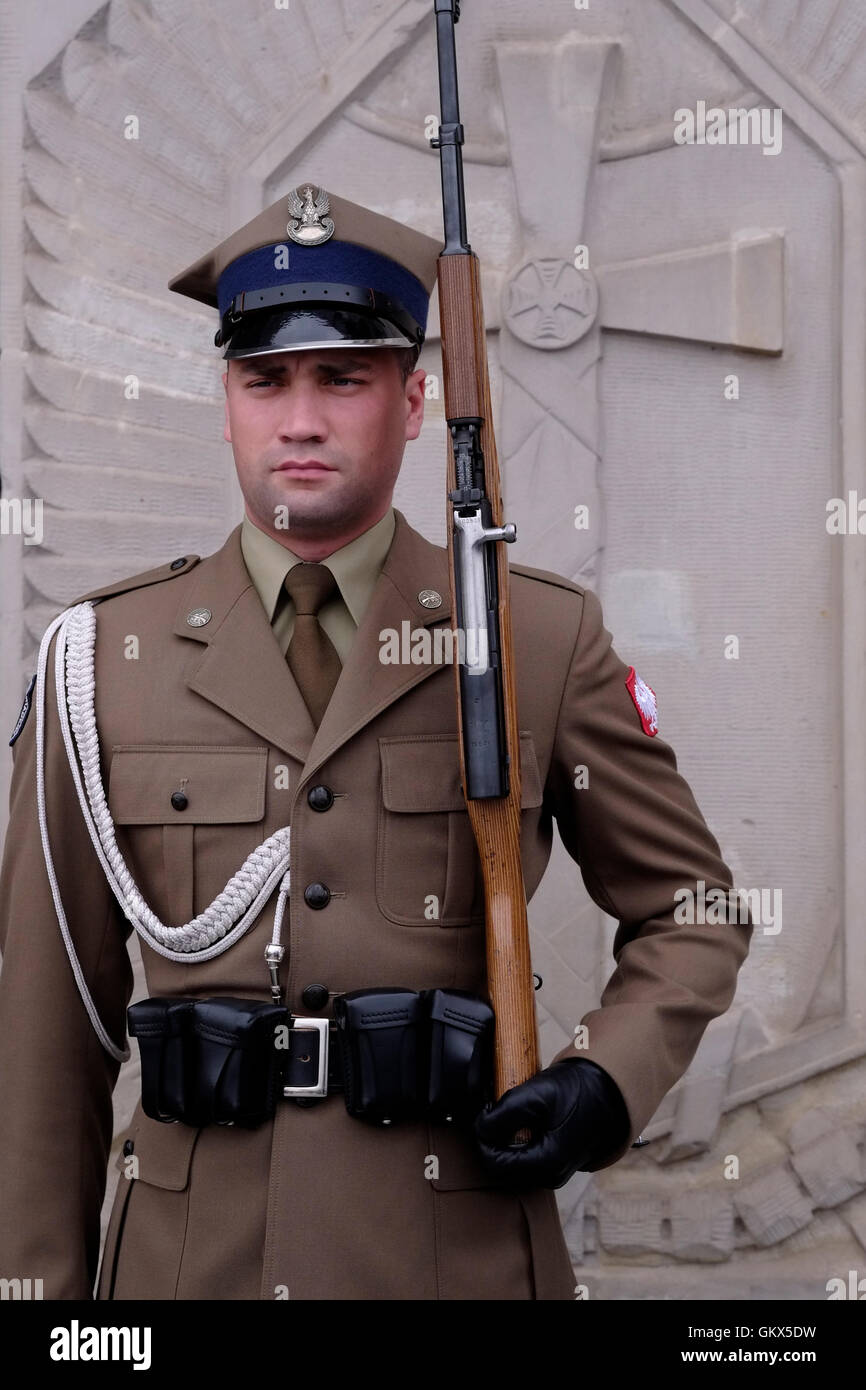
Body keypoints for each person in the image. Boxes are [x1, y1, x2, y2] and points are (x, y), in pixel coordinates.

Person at [0, 183, 752, 1301]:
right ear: (226, 403)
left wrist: (603, 1077)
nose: (298, 420)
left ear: (411, 404)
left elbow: (691, 909)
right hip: (186, 1267)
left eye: (341, 378)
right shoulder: (101, 659)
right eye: (265, 381)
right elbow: (45, 1030)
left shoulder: (533, 637)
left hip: (448, 1257)